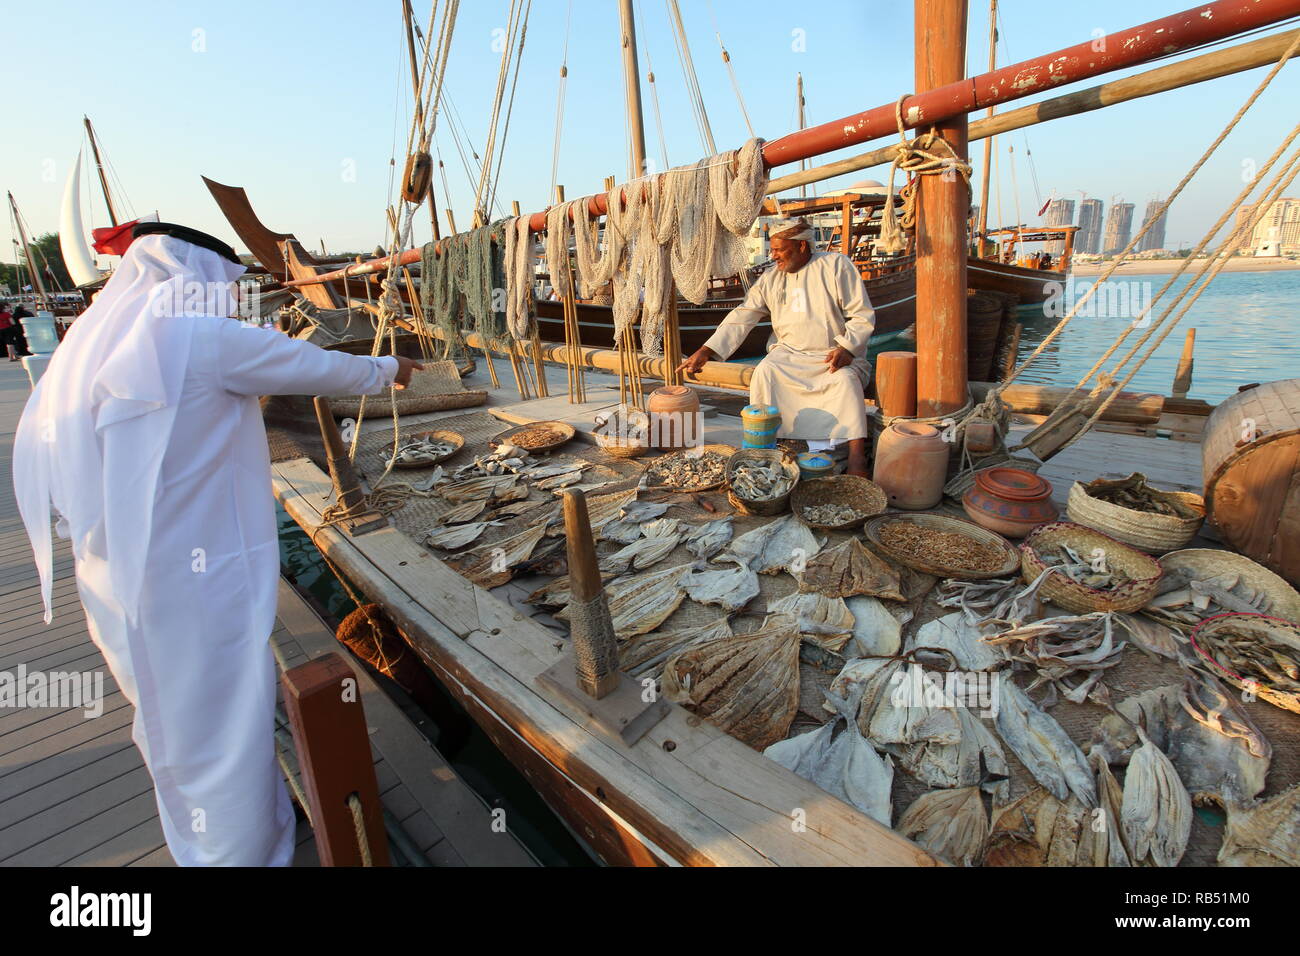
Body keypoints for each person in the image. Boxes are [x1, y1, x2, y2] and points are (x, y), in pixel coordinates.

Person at [12, 223, 423, 866]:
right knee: (227, 724)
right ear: (196, 275)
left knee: (170, 724)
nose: (228, 298)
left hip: (116, 578)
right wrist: (392, 367)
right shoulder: (197, 338)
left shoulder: (98, 343)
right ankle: (247, 853)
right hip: (196, 580)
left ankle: (204, 845)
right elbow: (314, 366)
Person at [677, 217, 875, 476]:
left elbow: (861, 315)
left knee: (845, 382)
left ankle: (856, 455)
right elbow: (743, 314)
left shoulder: (836, 265)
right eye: (772, 250)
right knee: (765, 373)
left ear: (802, 246)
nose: (774, 256)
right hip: (788, 355)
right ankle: (771, 445)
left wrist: (847, 348)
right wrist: (707, 351)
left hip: (831, 354)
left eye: (779, 249)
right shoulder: (772, 278)